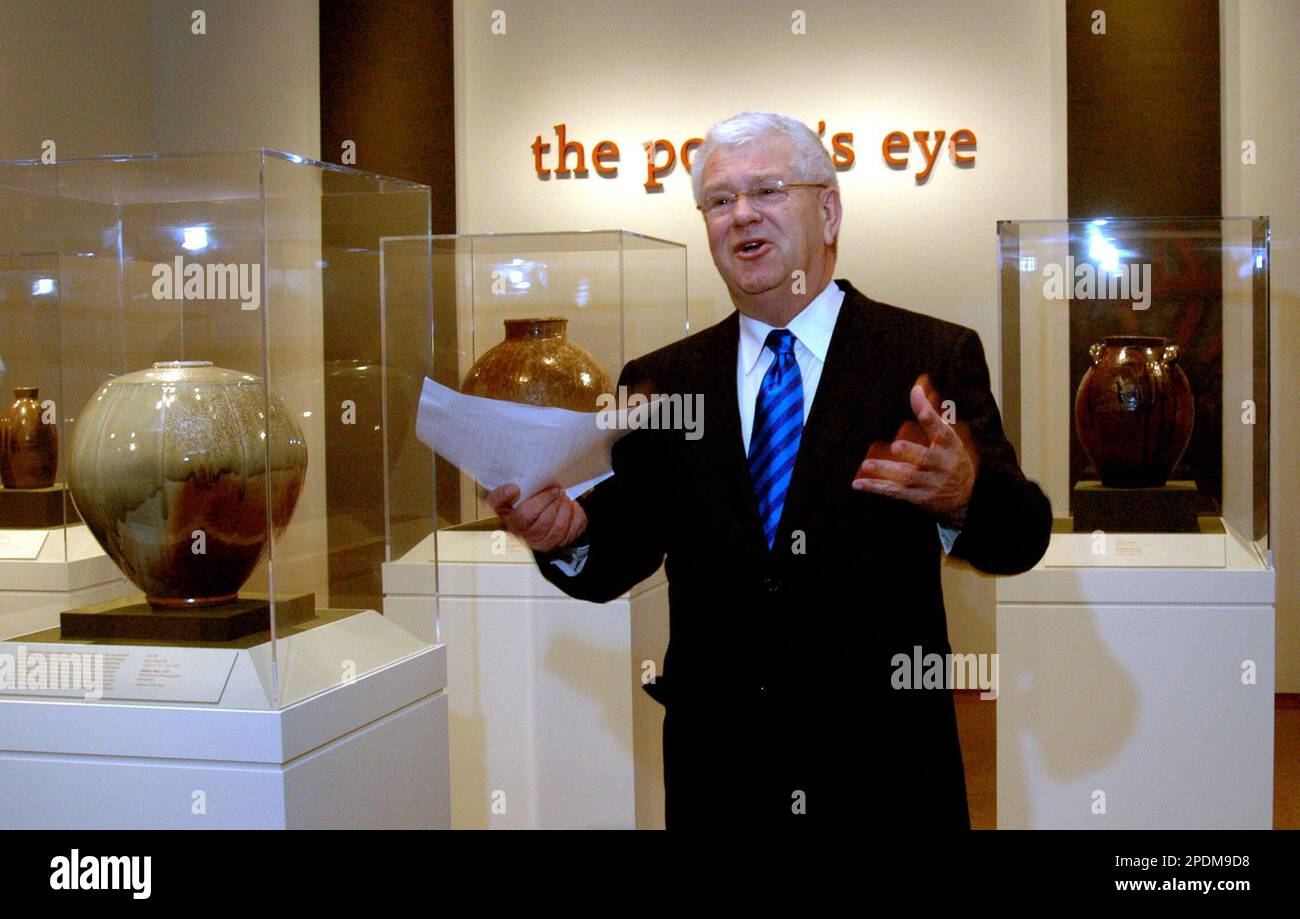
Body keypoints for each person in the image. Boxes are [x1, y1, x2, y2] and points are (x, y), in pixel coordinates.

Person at [487, 111, 1051, 828]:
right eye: (719, 201)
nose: (741, 214)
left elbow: (1022, 535)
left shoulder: (927, 355)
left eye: (768, 191)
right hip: (723, 775)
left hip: (885, 774)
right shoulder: (663, 381)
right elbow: (616, 550)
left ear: (829, 209)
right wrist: (567, 537)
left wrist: (964, 497)